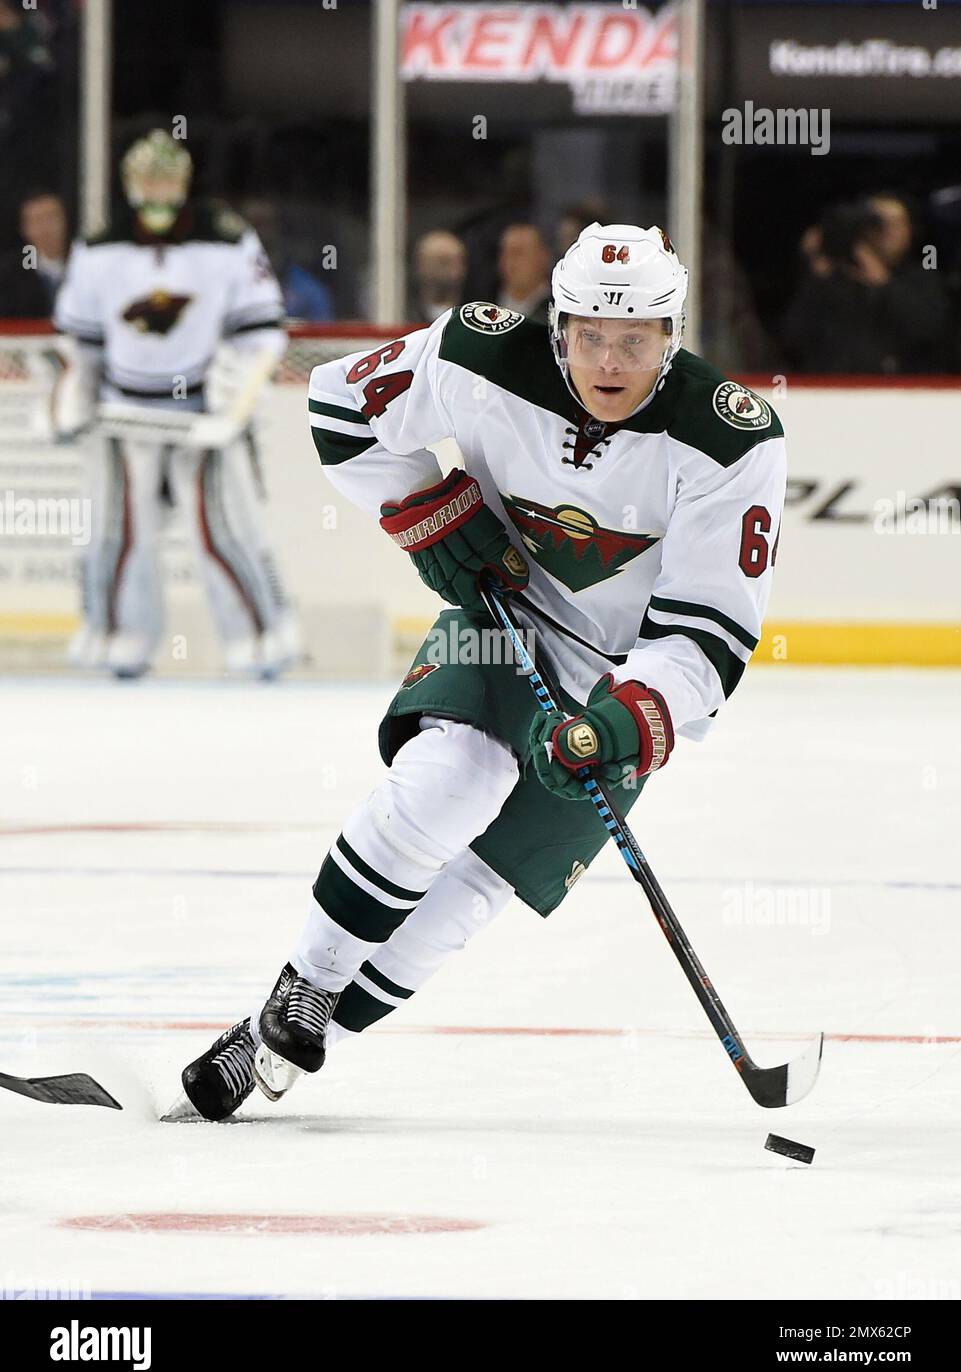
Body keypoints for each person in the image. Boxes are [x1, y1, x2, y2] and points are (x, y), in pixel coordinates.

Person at [169, 222, 787, 1122]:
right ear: (558, 327)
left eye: (635, 340)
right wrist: (426, 510)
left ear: (672, 334)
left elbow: (708, 629)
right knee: (452, 781)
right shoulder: (478, 353)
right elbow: (341, 406)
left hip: (618, 680)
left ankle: (271, 1048)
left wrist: (624, 717)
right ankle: (308, 981)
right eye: (589, 336)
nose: (608, 362)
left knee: (469, 896)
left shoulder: (728, 439)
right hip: (503, 624)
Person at [53, 129, 302, 679]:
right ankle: (118, 637)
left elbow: (262, 333)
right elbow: (81, 343)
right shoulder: (98, 247)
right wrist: (74, 398)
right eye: (147, 182)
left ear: (185, 183)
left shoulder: (228, 240)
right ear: (128, 184)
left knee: (224, 530)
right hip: (124, 413)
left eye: (167, 181)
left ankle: (263, 637)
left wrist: (234, 405)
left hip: (200, 414)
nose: (157, 193)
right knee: (117, 534)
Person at [782, 196, 954, 374]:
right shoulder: (834, 278)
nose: (888, 231)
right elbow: (794, 338)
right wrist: (818, 273)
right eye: (879, 223)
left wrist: (884, 283)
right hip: (837, 385)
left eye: (896, 223)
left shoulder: (923, 277)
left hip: (903, 386)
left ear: (910, 231)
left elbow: (930, 331)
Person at [0, 190, 68, 314]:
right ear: (24, 229)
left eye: (51, 217)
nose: (45, 228)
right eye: (37, 220)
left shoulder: (84, 264)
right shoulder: (9, 274)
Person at [496, 223, 552, 323]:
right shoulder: (482, 304)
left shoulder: (558, 311)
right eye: (504, 253)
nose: (509, 261)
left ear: (542, 257)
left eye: (518, 253)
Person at [410, 229, 467, 323]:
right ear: (421, 265)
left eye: (460, 262)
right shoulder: (401, 314)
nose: (455, 271)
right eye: (444, 262)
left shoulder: (472, 317)